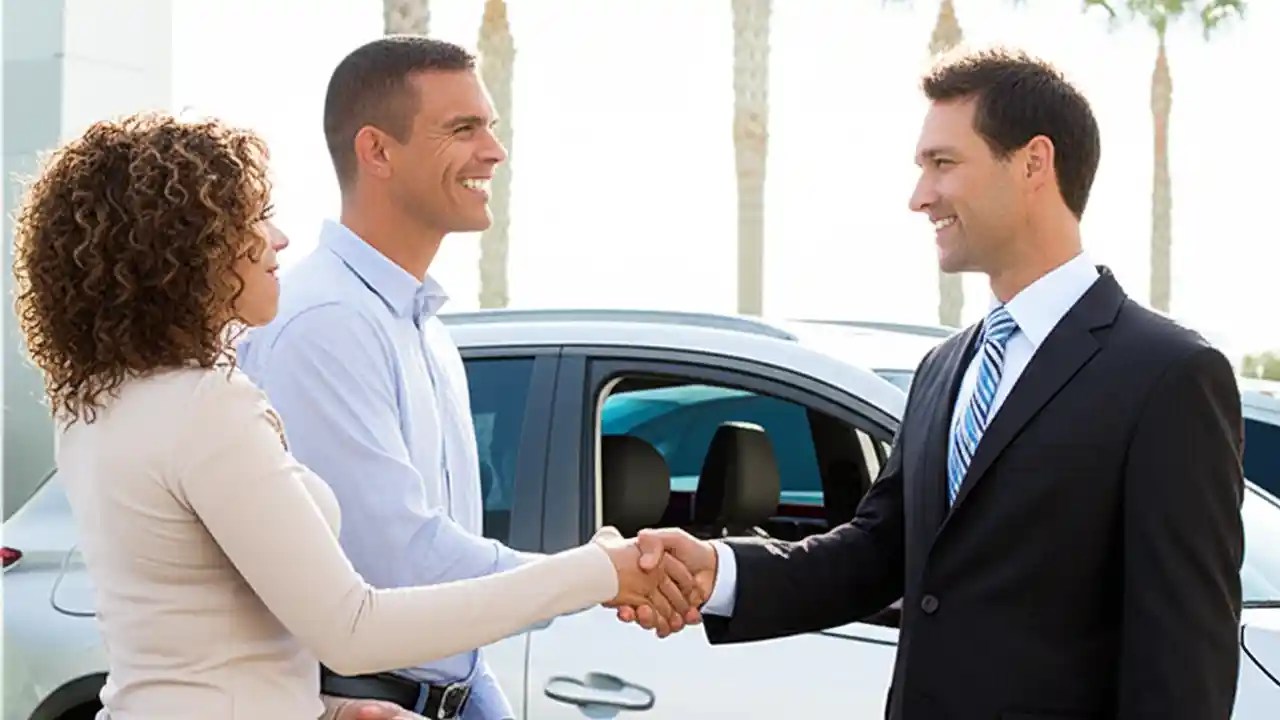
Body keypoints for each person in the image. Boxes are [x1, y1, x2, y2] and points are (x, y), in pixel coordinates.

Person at [620, 47, 1246, 720]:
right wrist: (721, 572)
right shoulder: (944, 369)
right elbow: (877, 551)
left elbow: (1183, 670)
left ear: (1034, 163)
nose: (919, 197)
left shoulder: (1169, 376)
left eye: (943, 164)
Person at [10, 111, 688, 720]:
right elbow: (354, 629)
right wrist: (598, 569)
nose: (277, 239)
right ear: (184, 251)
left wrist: (326, 710)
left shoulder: (100, 401)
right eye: (251, 218)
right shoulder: (206, 408)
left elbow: (182, 650)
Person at [235, 35, 692, 720]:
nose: (494, 152)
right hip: (369, 704)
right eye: (462, 129)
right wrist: (595, 573)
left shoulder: (421, 325)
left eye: (491, 128)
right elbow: (396, 567)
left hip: (454, 688)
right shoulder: (325, 323)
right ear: (377, 151)